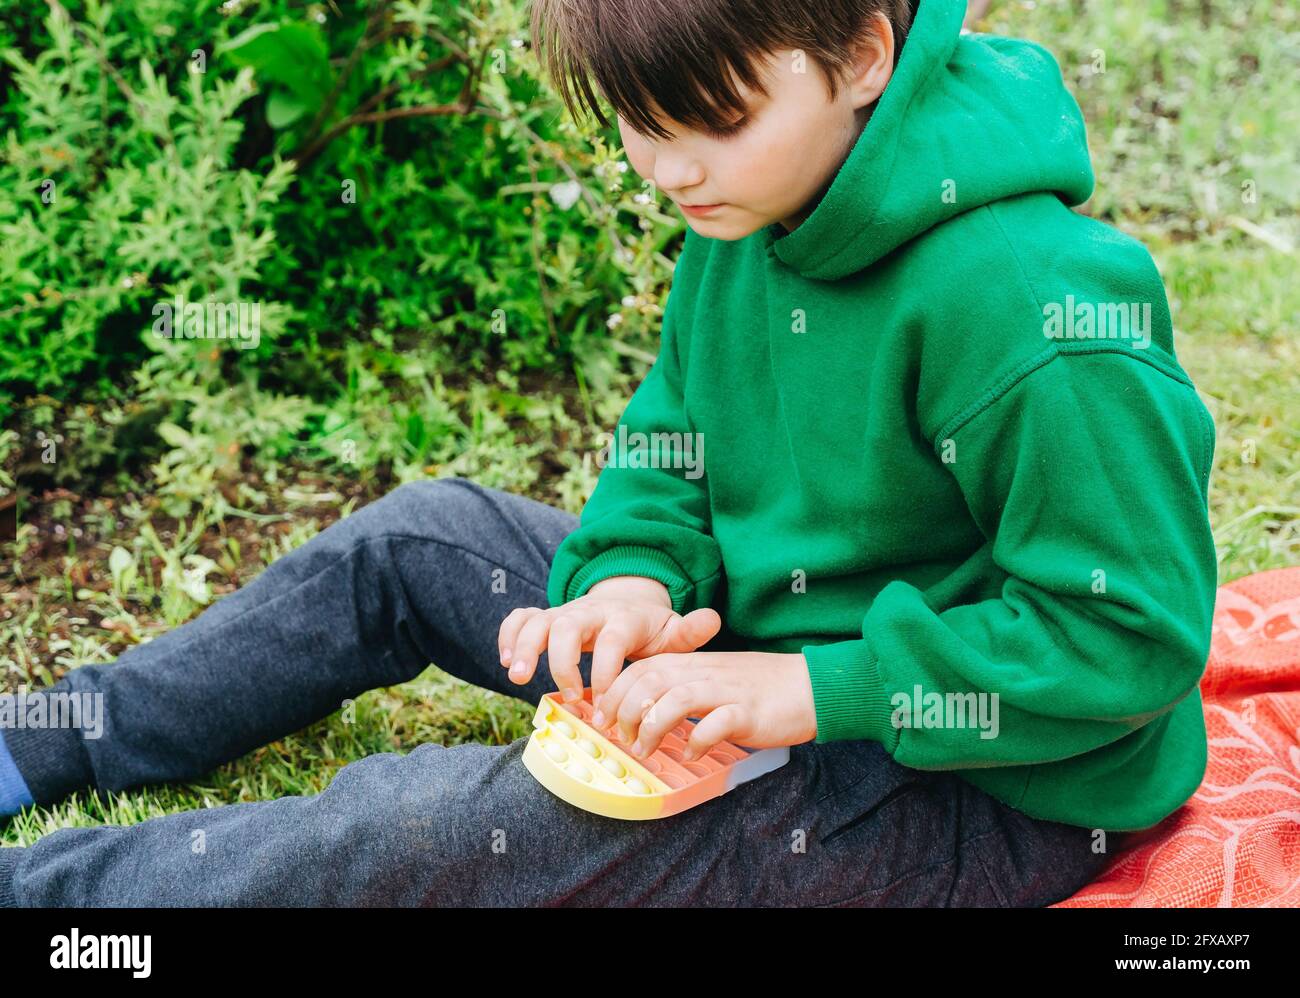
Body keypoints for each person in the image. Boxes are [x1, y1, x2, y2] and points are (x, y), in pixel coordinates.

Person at [0, 0, 1215, 907]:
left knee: (455, 824)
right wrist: (632, 576)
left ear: (861, 57)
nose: (669, 166)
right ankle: (32, 741)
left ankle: (50, 900)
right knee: (420, 536)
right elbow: (673, 442)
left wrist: (800, 692)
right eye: (642, 120)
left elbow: (1130, 635)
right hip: (753, 644)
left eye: (715, 121)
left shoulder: (1033, 308)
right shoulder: (754, 203)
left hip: (982, 788)